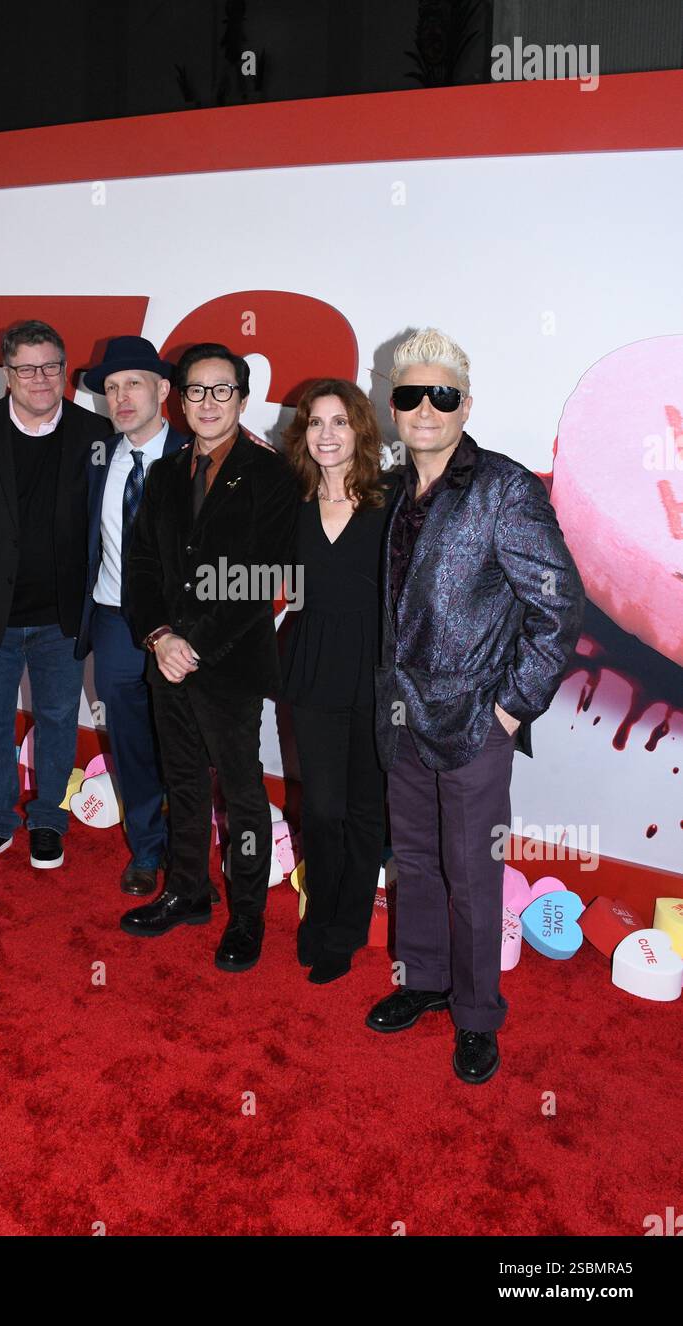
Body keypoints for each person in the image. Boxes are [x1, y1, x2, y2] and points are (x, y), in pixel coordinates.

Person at [366, 328, 584, 1083]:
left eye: (443, 395)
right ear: (392, 407)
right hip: (400, 713)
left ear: (465, 405)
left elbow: (558, 606)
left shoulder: (505, 488)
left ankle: (477, 1013)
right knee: (418, 862)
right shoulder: (393, 490)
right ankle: (423, 982)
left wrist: (514, 706)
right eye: (410, 395)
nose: (425, 408)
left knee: (473, 870)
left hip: (474, 721)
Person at [122, 342, 298, 972]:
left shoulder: (273, 476)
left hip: (228, 663)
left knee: (243, 792)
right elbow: (141, 567)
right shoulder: (165, 474)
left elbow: (261, 577)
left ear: (243, 400)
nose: (207, 402)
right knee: (183, 782)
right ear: (179, 399)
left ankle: (247, 914)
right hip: (165, 657)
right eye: (195, 390)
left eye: (221, 390)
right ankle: (187, 890)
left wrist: (192, 644)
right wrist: (161, 638)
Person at [0, 320, 112, 874]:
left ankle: (49, 821)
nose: (41, 378)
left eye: (51, 366)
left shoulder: (94, 434)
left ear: (64, 369)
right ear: (7, 374)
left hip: (61, 618)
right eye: (27, 368)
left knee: (57, 719)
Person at [281, 380, 397, 983]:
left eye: (339, 422)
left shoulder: (392, 499)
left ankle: (346, 929)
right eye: (315, 423)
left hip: (377, 672)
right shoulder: (290, 501)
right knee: (321, 809)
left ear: (360, 431)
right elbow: (250, 578)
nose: (326, 434)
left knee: (363, 811)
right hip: (312, 665)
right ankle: (317, 912)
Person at [76, 336, 186, 895]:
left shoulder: (199, 454)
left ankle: (188, 856)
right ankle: (146, 849)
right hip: (115, 620)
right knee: (131, 740)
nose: (121, 397)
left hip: (181, 628)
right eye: (112, 388)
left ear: (163, 390)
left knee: (186, 740)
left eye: (133, 384)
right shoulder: (96, 456)